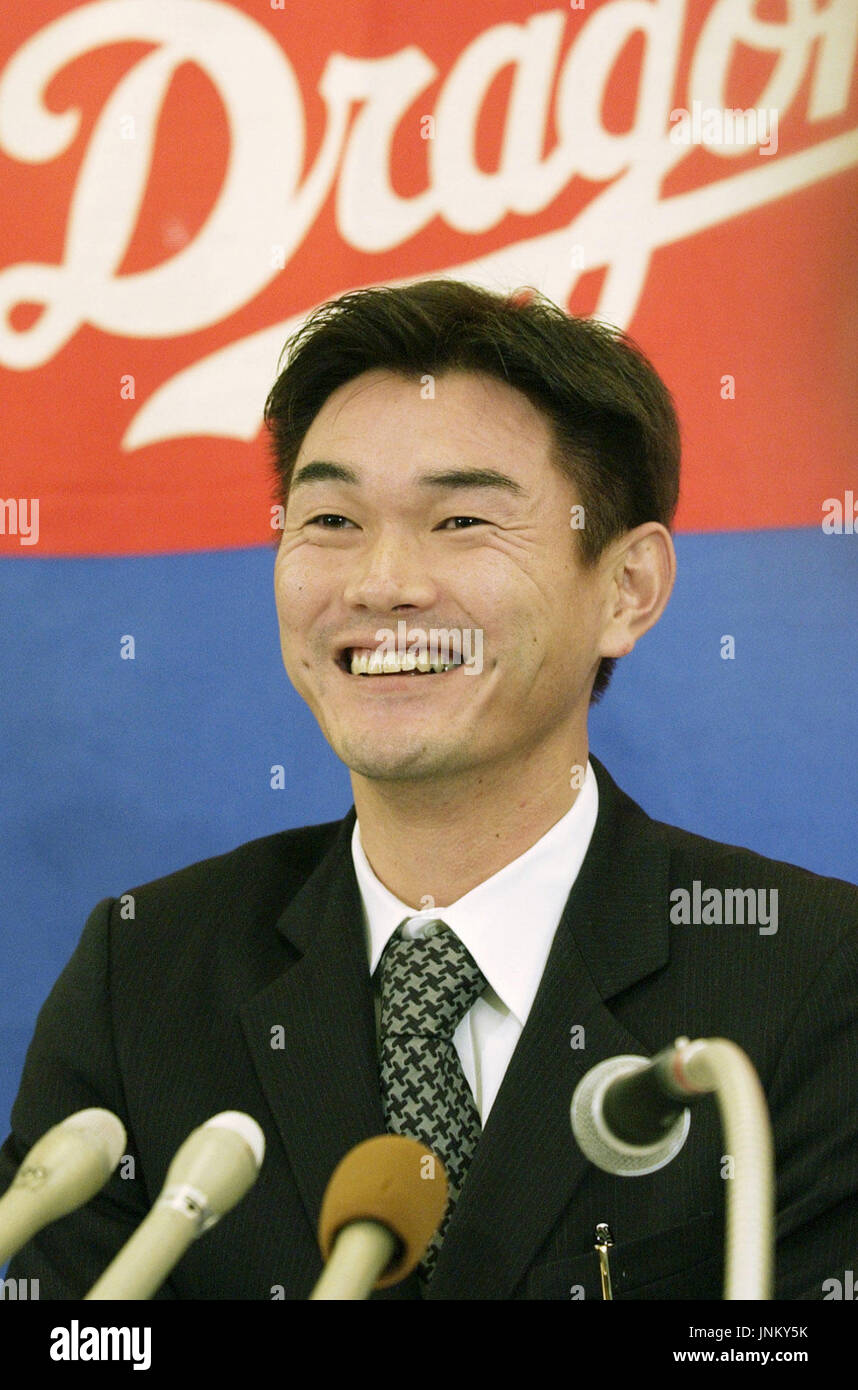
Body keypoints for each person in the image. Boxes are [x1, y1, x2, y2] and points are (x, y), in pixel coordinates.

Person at [1, 280, 856, 1300]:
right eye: (330, 517)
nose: (382, 581)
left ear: (626, 590)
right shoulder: (142, 976)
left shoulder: (809, 978)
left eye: (458, 520)